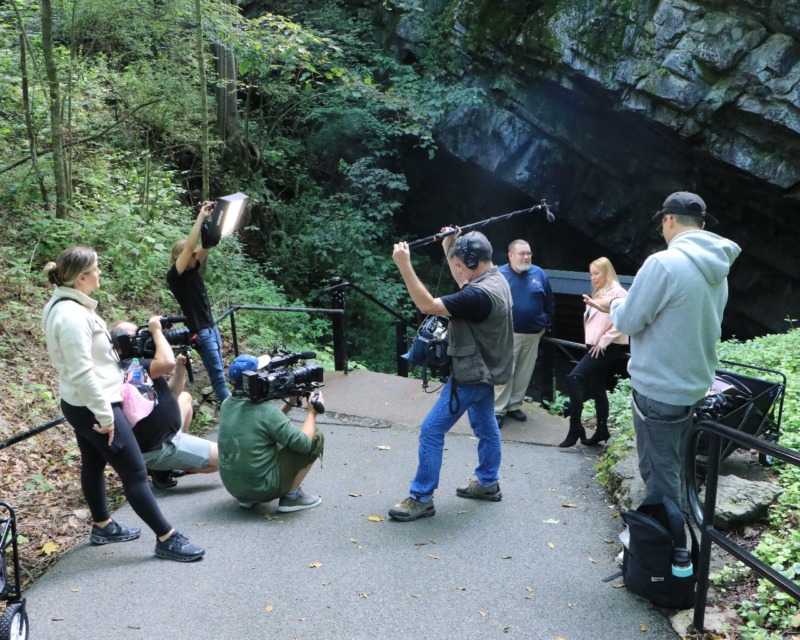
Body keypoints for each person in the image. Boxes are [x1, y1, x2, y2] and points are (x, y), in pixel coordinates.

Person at [42, 247, 204, 562]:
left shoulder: (63, 305)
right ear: (82, 276)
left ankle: (103, 525)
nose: (100, 273)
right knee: (134, 471)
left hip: (79, 402)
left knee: (93, 463)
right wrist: (106, 416)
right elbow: (81, 371)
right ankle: (166, 537)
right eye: (97, 269)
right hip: (95, 404)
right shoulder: (72, 315)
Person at [584, 192, 741, 511]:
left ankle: (673, 553)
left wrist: (614, 302)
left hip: (660, 390)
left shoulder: (663, 263)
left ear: (669, 219)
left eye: (661, 225)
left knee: (658, 475)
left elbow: (628, 321)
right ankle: (675, 539)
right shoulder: (717, 268)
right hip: (693, 385)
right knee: (675, 464)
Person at [388, 229, 514, 522]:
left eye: (458, 264)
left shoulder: (479, 294)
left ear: (470, 261)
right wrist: (450, 245)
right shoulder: (496, 279)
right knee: (485, 425)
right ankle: (488, 482)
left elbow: (427, 306)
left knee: (431, 430)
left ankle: (421, 498)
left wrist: (404, 264)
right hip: (488, 369)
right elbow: (464, 282)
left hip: (471, 374)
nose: (456, 269)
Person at [110, 316, 219, 489]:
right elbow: (167, 363)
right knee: (222, 458)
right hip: (159, 446)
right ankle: (165, 466)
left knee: (185, 398)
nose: (143, 336)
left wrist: (180, 370)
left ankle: (164, 469)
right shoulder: (130, 367)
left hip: (166, 433)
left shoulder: (138, 360)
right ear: (122, 344)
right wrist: (156, 331)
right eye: (135, 335)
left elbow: (170, 395)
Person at [217, 354, 325, 511]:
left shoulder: (227, 403)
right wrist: (312, 412)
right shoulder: (265, 411)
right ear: (253, 379)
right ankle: (291, 497)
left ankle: (248, 499)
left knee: (274, 440)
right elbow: (304, 444)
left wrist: (289, 404)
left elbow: (264, 425)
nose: (267, 375)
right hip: (262, 487)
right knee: (316, 437)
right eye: (262, 371)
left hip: (235, 488)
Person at [561, 257, 628, 448]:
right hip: (594, 346)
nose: (593, 278)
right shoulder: (600, 292)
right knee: (598, 389)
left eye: (596, 273)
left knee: (574, 378)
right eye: (591, 274)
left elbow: (621, 321)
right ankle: (601, 430)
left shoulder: (618, 292)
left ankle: (575, 428)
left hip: (605, 347)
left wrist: (604, 341)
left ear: (607, 272)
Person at [167, 203, 230, 402]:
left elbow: (206, 245)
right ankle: (233, 412)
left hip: (212, 328)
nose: (196, 256)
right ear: (181, 257)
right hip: (201, 332)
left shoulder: (193, 270)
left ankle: (231, 408)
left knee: (221, 374)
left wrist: (213, 222)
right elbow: (190, 248)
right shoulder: (175, 277)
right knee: (218, 379)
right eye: (192, 255)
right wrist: (200, 217)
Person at [494, 239, 554, 427]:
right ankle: (498, 409)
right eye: (522, 253)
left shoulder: (539, 273)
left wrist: (546, 322)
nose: (527, 257)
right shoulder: (499, 275)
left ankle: (513, 405)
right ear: (511, 255)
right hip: (507, 333)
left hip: (533, 333)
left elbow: (549, 302)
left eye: (529, 253)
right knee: (505, 372)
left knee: (523, 372)